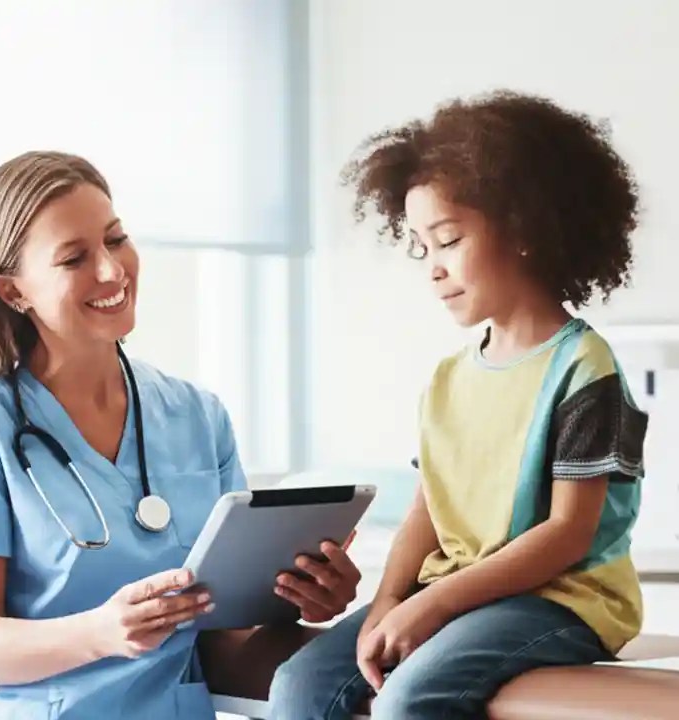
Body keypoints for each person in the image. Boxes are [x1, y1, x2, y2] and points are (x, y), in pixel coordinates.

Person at [0, 150, 362, 719]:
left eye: (115, 240)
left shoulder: (197, 415)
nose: (111, 271)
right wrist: (99, 632)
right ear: (12, 291)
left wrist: (303, 599)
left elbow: (224, 632)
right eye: (74, 258)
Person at [268, 91, 649, 719]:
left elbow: (565, 535)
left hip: (561, 600)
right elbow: (429, 509)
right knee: (299, 687)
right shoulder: (450, 377)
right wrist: (392, 599)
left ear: (524, 227)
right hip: (458, 593)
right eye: (422, 247)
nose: (433, 270)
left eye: (447, 240)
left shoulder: (585, 370)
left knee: (411, 700)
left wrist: (435, 603)